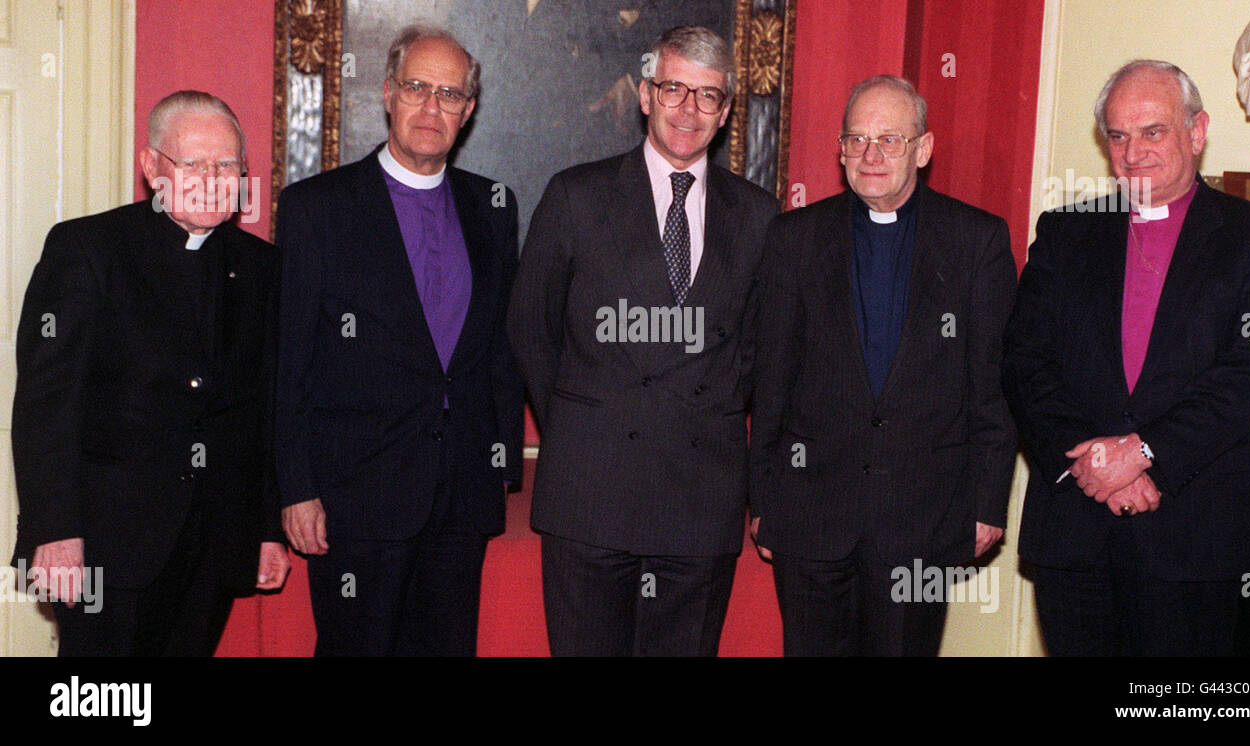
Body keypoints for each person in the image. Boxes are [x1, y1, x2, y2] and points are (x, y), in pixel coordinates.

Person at [1003, 60, 1250, 656]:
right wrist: (1094, 467)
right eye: (1118, 135)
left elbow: (1249, 380)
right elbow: (1024, 363)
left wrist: (1144, 457)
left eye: (1153, 131)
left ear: (1196, 131)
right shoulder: (1065, 232)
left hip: (1197, 531)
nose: (1132, 152)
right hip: (1075, 528)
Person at [508, 25, 779, 656]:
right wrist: (581, 425)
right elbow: (530, 327)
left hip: (701, 498)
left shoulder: (761, 216)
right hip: (590, 495)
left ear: (727, 110)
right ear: (646, 95)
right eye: (674, 88)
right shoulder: (575, 196)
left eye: (708, 96)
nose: (689, 109)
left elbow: (763, 353)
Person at [10, 90, 288, 656]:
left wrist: (264, 529)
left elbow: (260, 414)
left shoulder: (261, 268)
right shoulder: (88, 250)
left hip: (213, 542)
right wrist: (53, 531)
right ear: (151, 167)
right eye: (193, 164)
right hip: (102, 542)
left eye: (227, 165)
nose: (213, 179)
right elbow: (47, 404)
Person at [749, 75, 1018, 656]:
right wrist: (764, 500)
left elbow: (994, 387)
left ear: (923, 150)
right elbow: (771, 381)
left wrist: (986, 502)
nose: (870, 155)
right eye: (857, 139)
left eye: (889, 140)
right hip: (809, 515)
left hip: (923, 517)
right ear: (841, 150)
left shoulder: (977, 242)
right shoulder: (793, 239)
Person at [275, 25, 523, 656]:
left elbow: (498, 345)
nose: (431, 107)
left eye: (449, 94)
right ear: (388, 93)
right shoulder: (318, 207)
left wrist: (499, 464)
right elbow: (289, 362)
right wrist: (296, 486)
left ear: (468, 111)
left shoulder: (493, 205)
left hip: (460, 496)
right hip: (355, 496)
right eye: (417, 87)